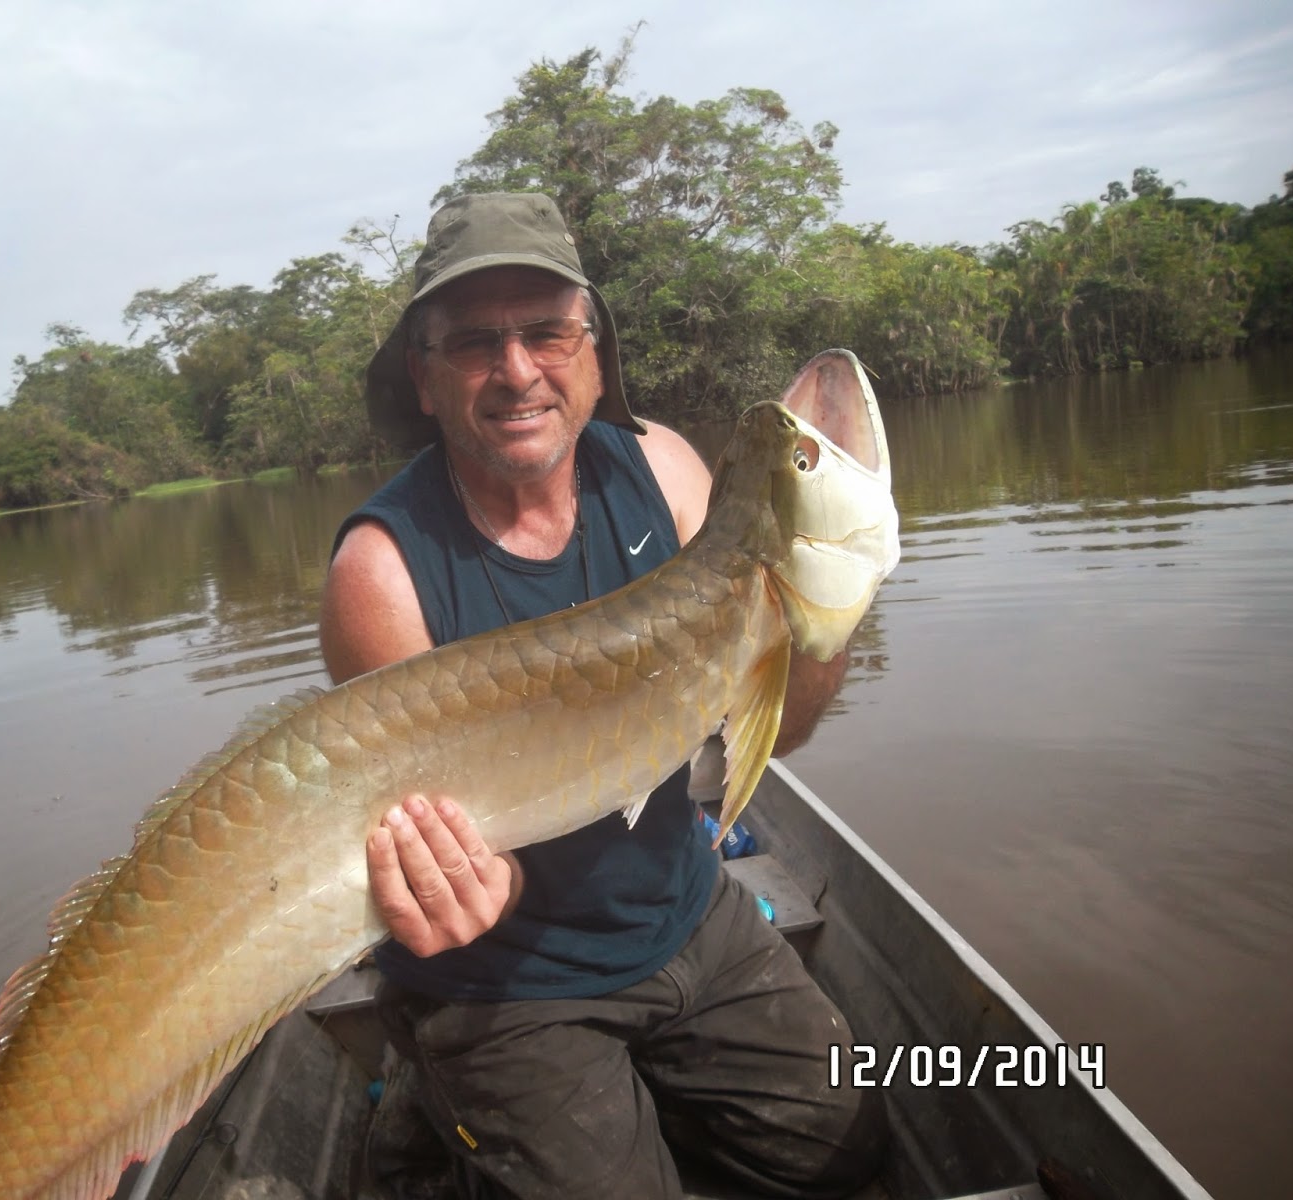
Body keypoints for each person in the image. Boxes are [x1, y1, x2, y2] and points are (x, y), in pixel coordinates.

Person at [320, 192, 886, 1199]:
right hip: (508, 985)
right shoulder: (381, 571)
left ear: (592, 349)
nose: (517, 370)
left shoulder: (662, 470)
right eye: (474, 343)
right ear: (422, 374)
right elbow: (422, 843)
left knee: (847, 1149)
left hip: (689, 919)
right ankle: (431, 1100)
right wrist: (447, 890)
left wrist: (823, 618)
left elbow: (778, 733)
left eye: (546, 331)